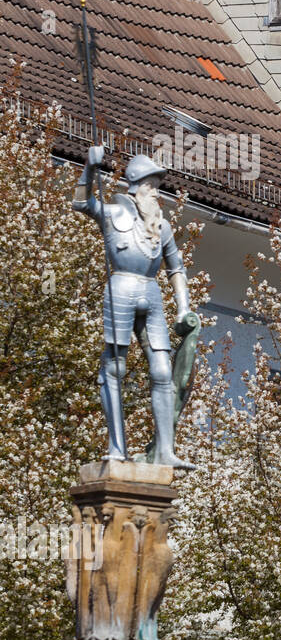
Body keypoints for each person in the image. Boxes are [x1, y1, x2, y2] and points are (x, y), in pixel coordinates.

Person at [73, 145, 195, 468]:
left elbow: (176, 268)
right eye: (152, 186)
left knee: (163, 370)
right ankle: (117, 447)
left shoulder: (162, 226)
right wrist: (89, 166)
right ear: (137, 186)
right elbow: (81, 202)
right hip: (122, 288)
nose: (156, 193)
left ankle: (166, 450)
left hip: (152, 293)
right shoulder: (114, 214)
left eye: (158, 187)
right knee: (115, 367)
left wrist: (183, 307)